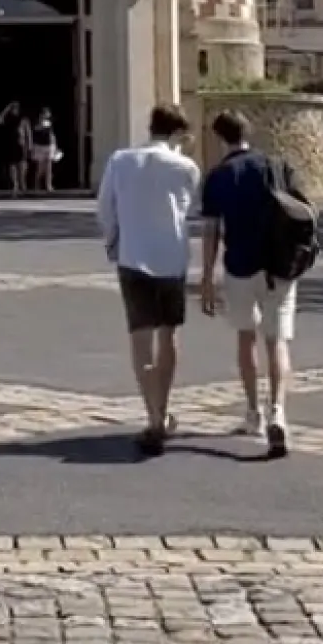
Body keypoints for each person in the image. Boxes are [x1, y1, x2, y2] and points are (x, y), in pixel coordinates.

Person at [95, 104, 202, 457]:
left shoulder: (121, 160)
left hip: (133, 255)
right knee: (168, 336)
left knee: (140, 339)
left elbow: (105, 208)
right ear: (177, 133)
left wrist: (113, 239)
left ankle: (153, 415)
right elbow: (190, 209)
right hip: (171, 257)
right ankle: (163, 405)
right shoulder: (185, 167)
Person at [199, 109, 304, 459]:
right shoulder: (277, 166)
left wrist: (207, 277)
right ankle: (278, 411)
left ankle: (252, 412)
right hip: (279, 264)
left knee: (246, 338)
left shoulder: (218, 177)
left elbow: (211, 231)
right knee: (277, 341)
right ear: (249, 133)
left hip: (240, 266)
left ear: (220, 138)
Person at [0, 101, 30, 193]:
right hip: (10, 144)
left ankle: (22, 182)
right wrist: (6, 109)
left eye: (16, 108)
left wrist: (29, 145)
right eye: (13, 108)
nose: (14, 109)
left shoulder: (23, 118)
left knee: (22, 164)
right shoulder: (7, 118)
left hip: (21, 144)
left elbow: (28, 132)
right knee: (12, 164)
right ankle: (15, 184)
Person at [28, 107, 58, 191]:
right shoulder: (36, 122)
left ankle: (49, 185)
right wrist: (42, 123)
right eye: (46, 113)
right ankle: (36, 184)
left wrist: (55, 145)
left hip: (49, 145)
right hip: (39, 146)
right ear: (42, 114)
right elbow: (36, 129)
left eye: (48, 113)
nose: (48, 115)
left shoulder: (50, 122)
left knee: (49, 166)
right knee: (40, 168)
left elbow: (52, 134)